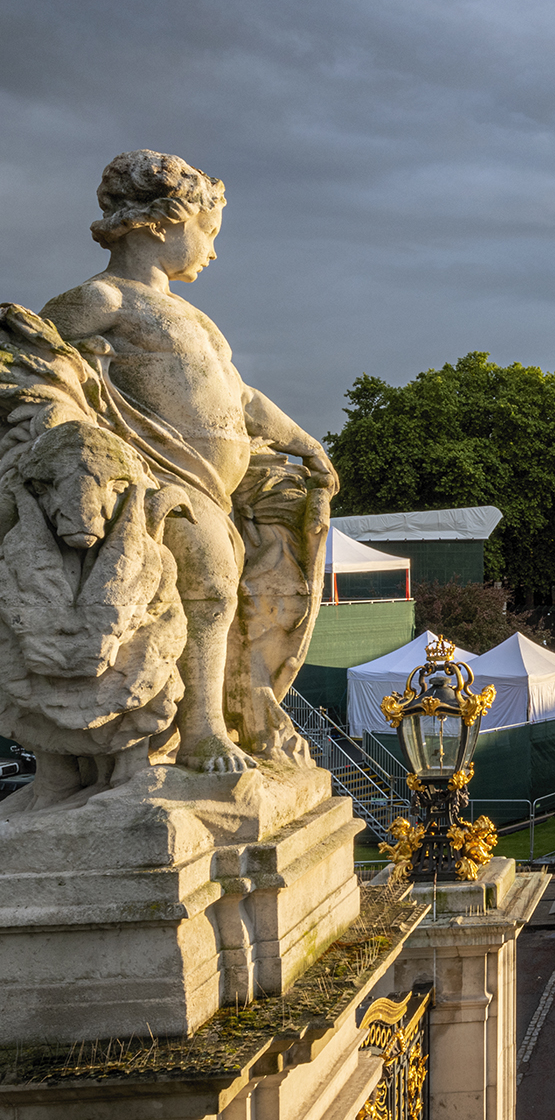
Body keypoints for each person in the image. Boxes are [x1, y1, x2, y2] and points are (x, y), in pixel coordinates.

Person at [39, 151, 337, 774]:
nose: (213, 250)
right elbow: (44, 375)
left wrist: (302, 442)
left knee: (238, 595)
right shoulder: (99, 298)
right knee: (209, 582)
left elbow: (241, 398)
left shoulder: (195, 318)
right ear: (160, 222)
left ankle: (225, 715)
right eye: (209, 231)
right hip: (156, 480)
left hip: (222, 489)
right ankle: (201, 731)